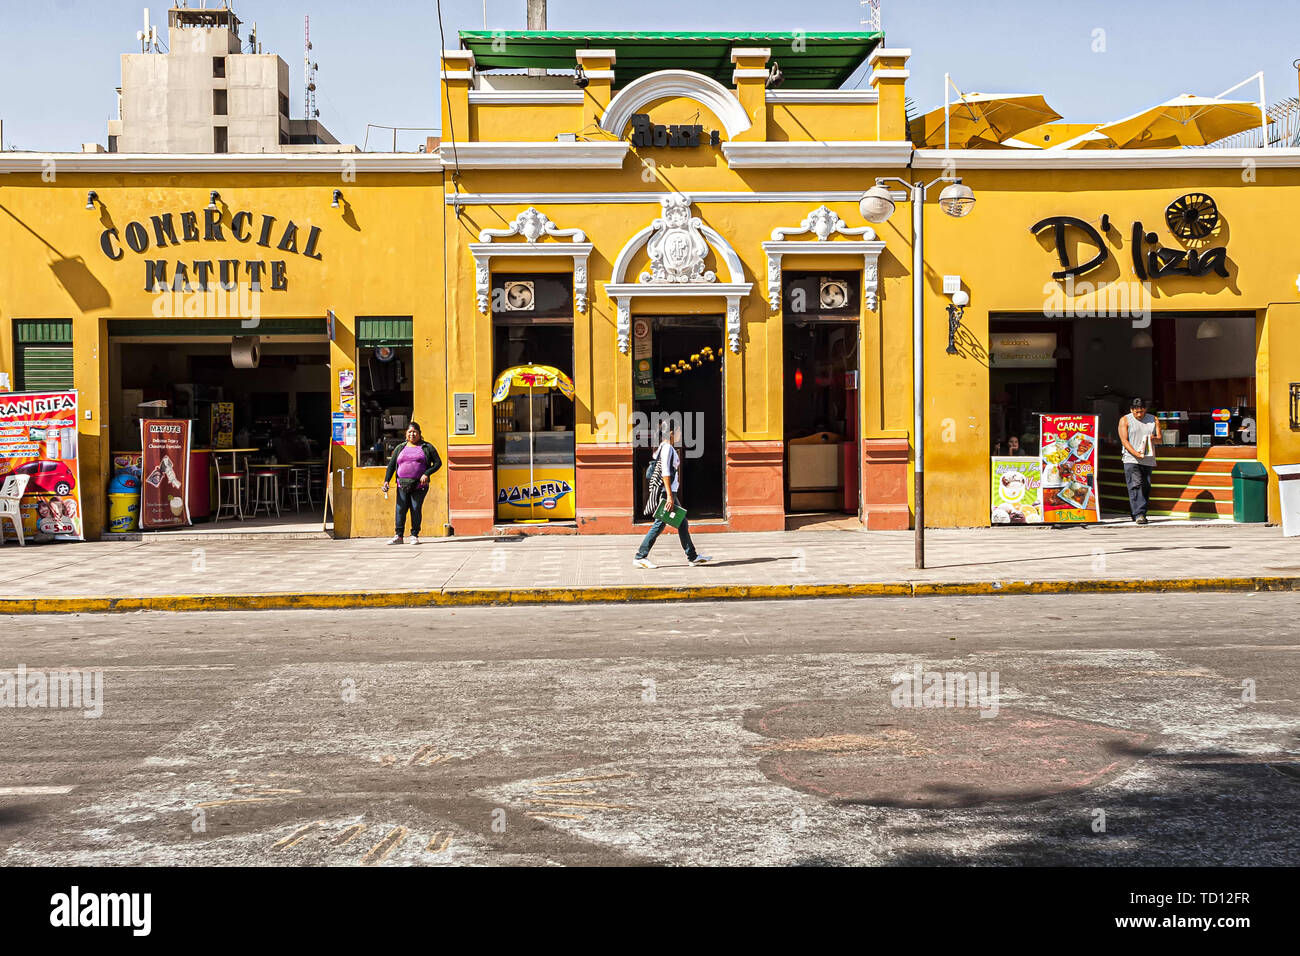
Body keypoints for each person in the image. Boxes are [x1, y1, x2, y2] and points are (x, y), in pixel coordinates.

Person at [635, 421, 712, 569]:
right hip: (666, 492)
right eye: (679, 431)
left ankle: (692, 556)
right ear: (671, 432)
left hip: (669, 492)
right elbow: (665, 473)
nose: (680, 434)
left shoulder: (661, 448)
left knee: (682, 522)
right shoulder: (667, 448)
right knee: (659, 524)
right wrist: (670, 496)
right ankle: (640, 556)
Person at [382, 422, 442, 544]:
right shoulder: (400, 448)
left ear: (420, 433)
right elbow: (392, 466)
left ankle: (414, 535)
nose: (412, 434)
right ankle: (399, 536)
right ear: (406, 434)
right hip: (401, 484)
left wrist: (427, 473)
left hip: (419, 485)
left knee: (415, 508)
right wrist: (386, 481)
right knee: (400, 509)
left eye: (415, 432)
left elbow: (438, 463)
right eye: (410, 432)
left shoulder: (427, 447)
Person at [1119, 398, 1161, 525]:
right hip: (1131, 458)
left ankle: (1137, 512)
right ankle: (1140, 514)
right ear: (1131, 410)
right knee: (1135, 485)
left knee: (1146, 486)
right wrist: (1135, 453)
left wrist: (1153, 438)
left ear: (1145, 409)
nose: (1139, 414)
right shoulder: (1125, 419)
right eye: (1136, 412)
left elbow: (1160, 439)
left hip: (1148, 458)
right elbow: (1124, 440)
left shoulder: (1153, 419)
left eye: (1141, 412)